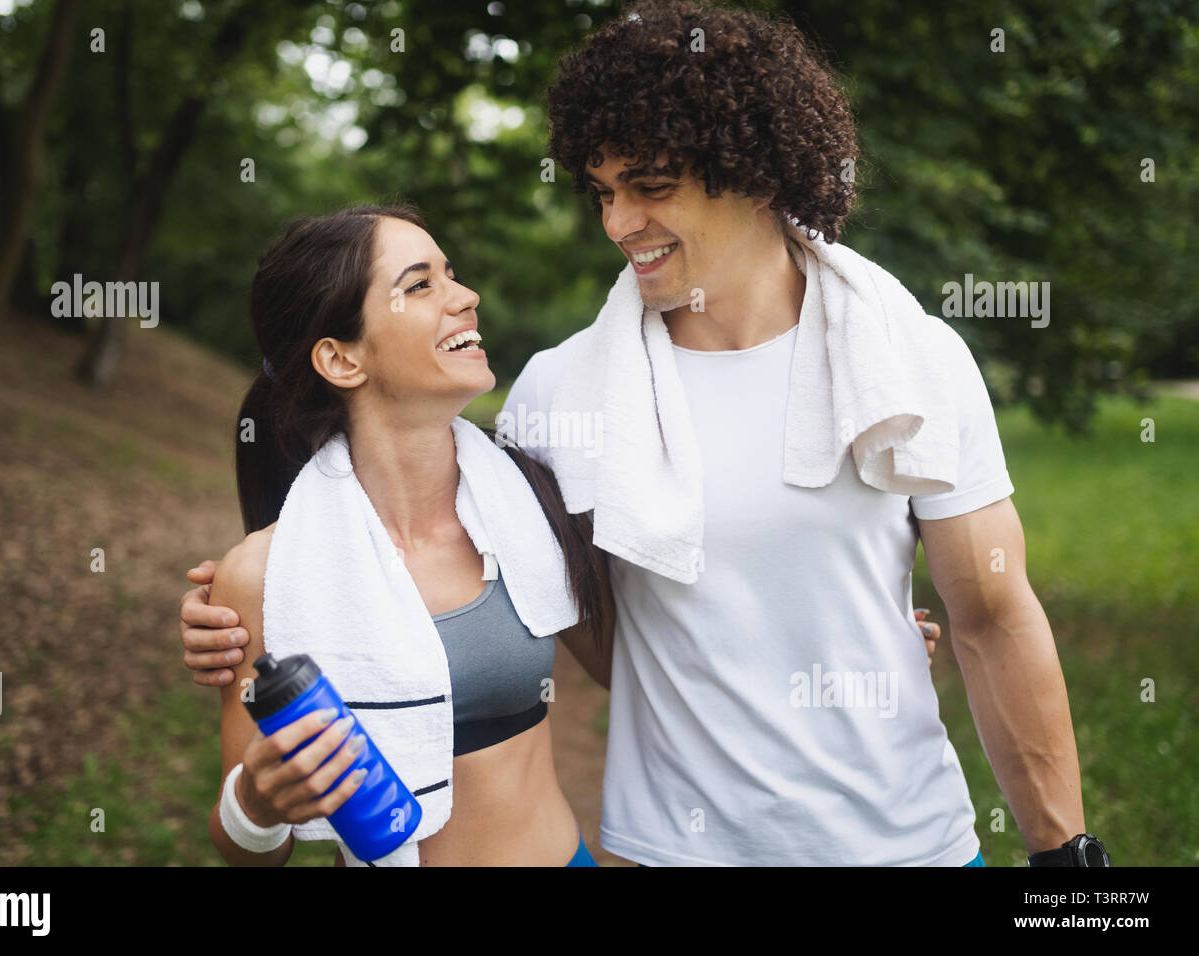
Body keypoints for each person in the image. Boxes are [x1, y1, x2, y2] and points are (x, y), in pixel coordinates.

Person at [179, 0, 1083, 869]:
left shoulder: (907, 358)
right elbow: (582, 628)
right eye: (603, 192)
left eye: (650, 189)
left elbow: (996, 616)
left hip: (913, 843)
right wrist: (248, 605)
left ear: (758, 172)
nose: (617, 224)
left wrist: (1066, 855)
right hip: (677, 851)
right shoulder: (558, 399)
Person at [204, 204, 618, 866]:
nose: (466, 297)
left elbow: (639, 669)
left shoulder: (533, 505)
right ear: (340, 359)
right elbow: (248, 853)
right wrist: (256, 802)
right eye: (420, 284)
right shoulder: (262, 576)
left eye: (451, 275)